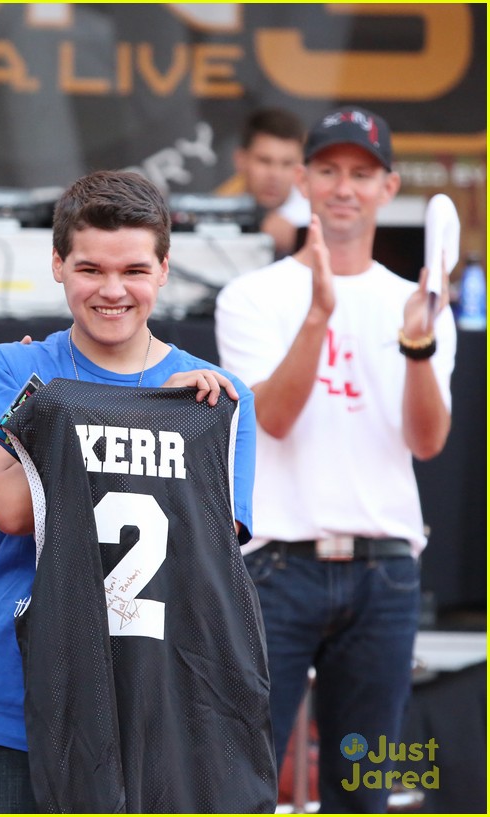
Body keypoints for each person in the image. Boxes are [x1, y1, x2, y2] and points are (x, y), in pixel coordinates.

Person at [0, 170, 272, 812]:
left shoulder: (215, 398)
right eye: (90, 269)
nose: (113, 291)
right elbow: (10, 510)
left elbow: (208, 550)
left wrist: (174, 417)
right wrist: (141, 413)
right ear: (59, 266)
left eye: (134, 271)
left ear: (165, 270)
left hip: (151, 706)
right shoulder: (11, 367)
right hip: (10, 695)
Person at [215, 106, 456, 812]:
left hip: (384, 570)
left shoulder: (418, 303)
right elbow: (274, 421)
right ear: (302, 180)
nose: (343, 187)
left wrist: (417, 341)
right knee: (242, 780)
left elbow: (428, 440)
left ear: (389, 186)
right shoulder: (251, 296)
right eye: (328, 170)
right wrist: (319, 313)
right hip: (275, 566)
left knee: (364, 788)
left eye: (361, 173)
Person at [234, 107, 309, 258]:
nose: (275, 175)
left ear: (301, 168)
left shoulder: (317, 220)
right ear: (240, 160)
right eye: (265, 161)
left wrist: (301, 239)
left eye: (287, 164)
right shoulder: (218, 219)